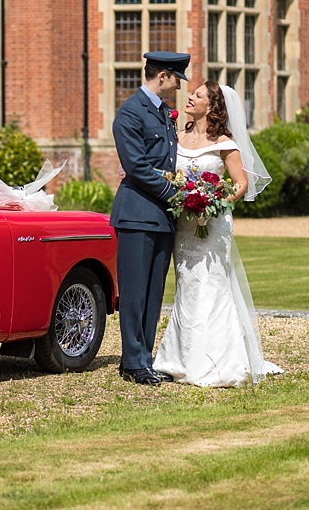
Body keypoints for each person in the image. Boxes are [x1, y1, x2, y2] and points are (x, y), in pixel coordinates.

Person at [153, 81, 283, 387]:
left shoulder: (225, 143)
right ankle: (179, 358)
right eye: (192, 93)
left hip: (212, 224)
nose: (190, 97)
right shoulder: (177, 135)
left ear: (211, 107)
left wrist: (213, 202)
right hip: (185, 224)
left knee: (210, 283)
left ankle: (214, 361)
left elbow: (241, 184)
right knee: (186, 284)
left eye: (198, 95)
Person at [110, 51, 188, 386]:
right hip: (137, 214)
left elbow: (167, 162)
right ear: (163, 76)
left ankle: (144, 358)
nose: (178, 86)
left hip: (161, 216)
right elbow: (138, 167)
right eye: (176, 79)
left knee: (154, 292)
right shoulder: (130, 112)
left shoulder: (163, 113)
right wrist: (175, 195)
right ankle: (132, 362)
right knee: (134, 292)